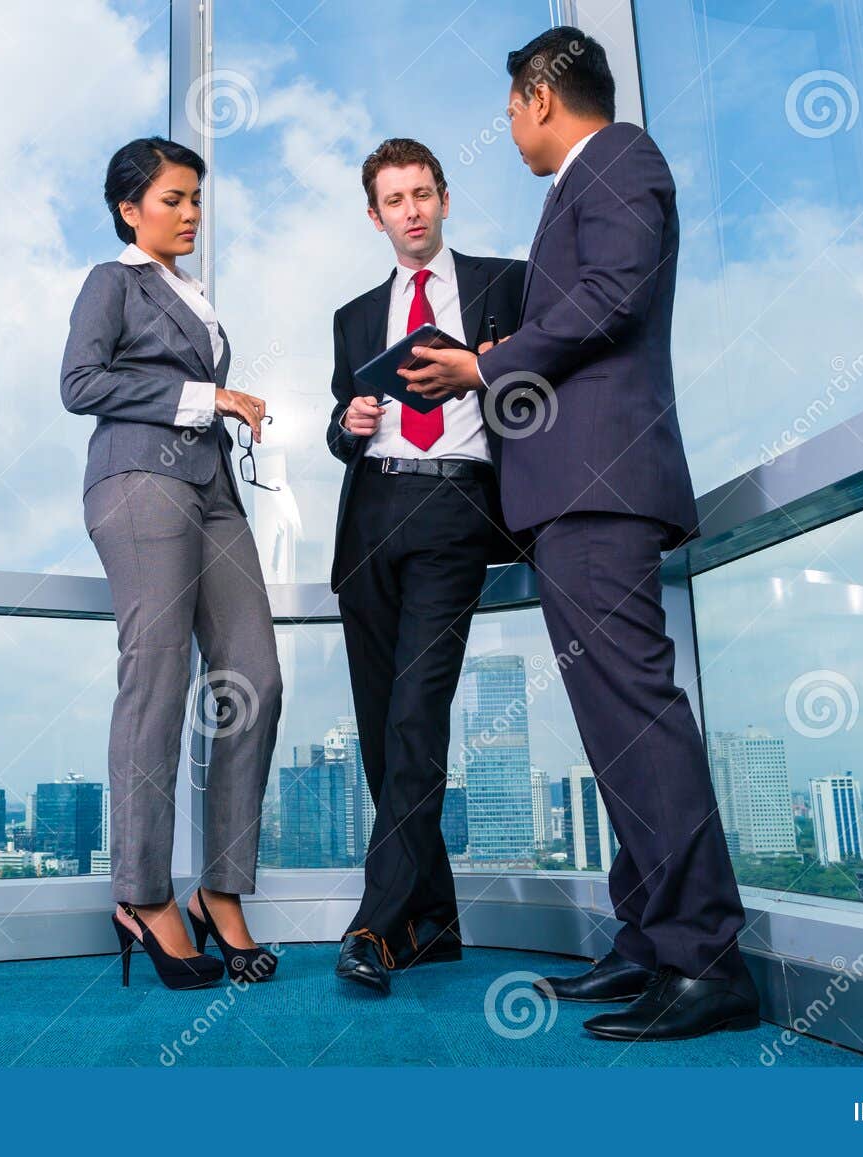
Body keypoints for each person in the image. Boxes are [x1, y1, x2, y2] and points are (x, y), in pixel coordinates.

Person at [399, 28, 759, 1041]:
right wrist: (505, 354)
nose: (511, 128)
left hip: (600, 486)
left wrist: (486, 366)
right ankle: (648, 939)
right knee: (613, 728)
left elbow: (612, 296)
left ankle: (705, 958)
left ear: (542, 97)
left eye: (512, 109)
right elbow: (590, 309)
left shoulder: (620, 158)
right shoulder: (578, 187)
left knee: (636, 720)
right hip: (570, 492)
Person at [60, 136, 282, 991]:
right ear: (130, 209)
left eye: (196, 199)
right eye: (173, 199)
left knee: (254, 676)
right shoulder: (111, 282)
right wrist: (208, 396)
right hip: (138, 481)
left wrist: (216, 406)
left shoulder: (190, 291)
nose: (191, 214)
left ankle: (218, 889)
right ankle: (143, 893)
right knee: (156, 679)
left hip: (212, 487)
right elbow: (80, 383)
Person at [325, 138, 528, 996]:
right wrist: (348, 422)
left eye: (421, 193)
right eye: (393, 200)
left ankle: (374, 925)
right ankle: (433, 920)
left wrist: (482, 374)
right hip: (372, 514)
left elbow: (537, 386)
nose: (410, 210)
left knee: (417, 715)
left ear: (444, 197)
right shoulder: (353, 316)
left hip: (455, 506)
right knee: (383, 731)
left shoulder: (504, 283)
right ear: (375, 217)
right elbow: (339, 425)